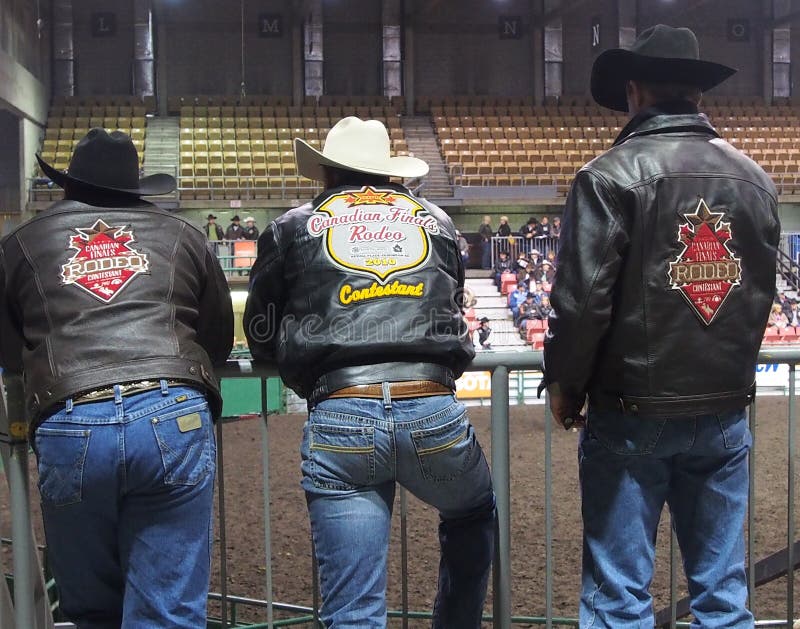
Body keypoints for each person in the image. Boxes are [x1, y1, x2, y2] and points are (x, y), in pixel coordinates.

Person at [542, 25, 780, 627]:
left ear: (634, 91)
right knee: (724, 596)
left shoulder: (608, 176)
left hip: (631, 411)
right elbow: (758, 294)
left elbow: (580, 303)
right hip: (724, 411)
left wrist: (567, 385)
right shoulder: (756, 181)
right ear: (699, 94)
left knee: (619, 595)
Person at [244, 117, 495, 629]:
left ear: (327, 172)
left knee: (354, 609)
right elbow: (451, 308)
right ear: (391, 173)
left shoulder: (293, 225)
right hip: (430, 404)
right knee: (471, 513)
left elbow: (260, 330)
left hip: (340, 410)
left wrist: (303, 371)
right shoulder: (437, 221)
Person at [0, 128, 234, 627]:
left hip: (71, 414)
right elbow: (215, 337)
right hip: (172, 409)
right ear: (136, 187)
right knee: (168, 608)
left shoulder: (20, 244)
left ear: (66, 185)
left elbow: (7, 347)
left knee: (92, 609)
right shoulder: (184, 236)